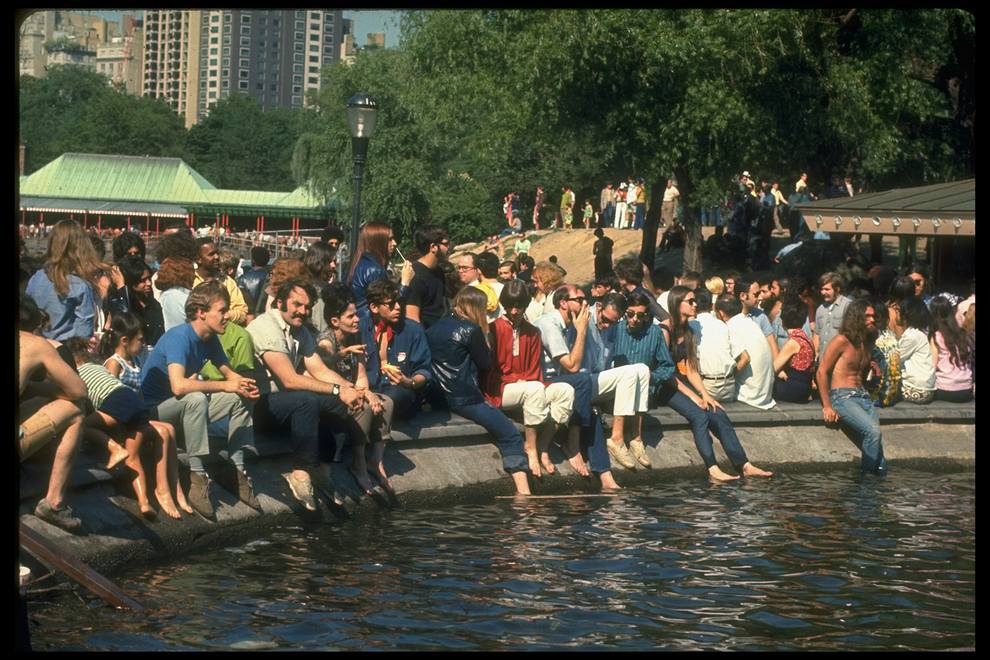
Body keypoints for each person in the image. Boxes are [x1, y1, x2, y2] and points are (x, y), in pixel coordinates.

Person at [140, 282, 261, 519]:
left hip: (181, 411)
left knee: (241, 396)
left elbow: (231, 376)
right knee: (195, 397)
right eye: (222, 310)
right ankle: (197, 476)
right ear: (201, 312)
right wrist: (227, 385)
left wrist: (246, 386)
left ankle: (236, 469)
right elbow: (179, 386)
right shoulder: (179, 338)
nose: (228, 316)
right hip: (155, 414)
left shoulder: (210, 338)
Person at [248, 279, 367, 508]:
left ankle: (323, 469)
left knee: (335, 401)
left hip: (285, 402)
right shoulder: (266, 327)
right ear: (280, 302)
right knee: (307, 399)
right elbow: (290, 380)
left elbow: (319, 370)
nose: (303, 311)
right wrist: (338, 388)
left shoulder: (299, 329)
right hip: (258, 405)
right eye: (297, 304)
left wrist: (351, 390)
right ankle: (300, 473)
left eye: (308, 306)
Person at [656, 286, 773, 481]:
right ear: (677, 304)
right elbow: (666, 372)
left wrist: (704, 393)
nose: (695, 305)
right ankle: (712, 468)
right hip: (663, 384)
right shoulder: (664, 330)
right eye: (690, 301)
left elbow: (691, 368)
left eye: (695, 301)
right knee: (699, 416)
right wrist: (694, 396)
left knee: (717, 411)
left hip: (679, 382)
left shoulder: (689, 331)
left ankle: (743, 464)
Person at [425, 286, 531, 495]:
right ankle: (524, 493)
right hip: (465, 399)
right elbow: (485, 363)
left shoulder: (434, 327)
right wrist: (487, 338)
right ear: (477, 307)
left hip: (436, 397)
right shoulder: (471, 329)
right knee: (511, 435)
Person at [98, 313, 192, 518]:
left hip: (136, 419)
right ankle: (162, 488)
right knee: (162, 432)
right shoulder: (114, 364)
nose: (144, 344)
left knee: (169, 428)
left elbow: (139, 395)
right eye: (140, 339)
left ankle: (175, 487)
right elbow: (109, 397)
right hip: (123, 422)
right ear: (125, 340)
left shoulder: (134, 362)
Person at [532, 285, 622, 489]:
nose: (584, 304)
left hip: (561, 384)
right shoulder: (549, 324)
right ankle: (572, 444)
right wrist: (582, 330)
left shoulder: (570, 324)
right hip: (540, 384)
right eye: (579, 300)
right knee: (582, 381)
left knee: (592, 411)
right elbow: (572, 365)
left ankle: (605, 474)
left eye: (585, 300)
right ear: (563, 303)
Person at [486, 281, 576, 477]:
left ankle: (543, 444)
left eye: (519, 306)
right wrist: (515, 381)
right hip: (500, 389)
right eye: (510, 306)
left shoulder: (532, 332)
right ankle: (531, 446)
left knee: (565, 391)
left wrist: (526, 382)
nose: (514, 311)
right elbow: (488, 371)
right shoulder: (493, 329)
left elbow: (535, 371)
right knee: (534, 389)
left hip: (528, 387)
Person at [316, 283, 396, 494]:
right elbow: (324, 372)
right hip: (335, 396)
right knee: (364, 406)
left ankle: (376, 462)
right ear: (335, 321)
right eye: (351, 316)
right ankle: (358, 463)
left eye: (356, 315)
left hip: (355, 391)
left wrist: (367, 391)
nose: (357, 319)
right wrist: (364, 394)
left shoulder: (356, 336)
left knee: (386, 402)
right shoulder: (326, 342)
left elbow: (361, 375)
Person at [19, 327, 88, 532]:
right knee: (75, 408)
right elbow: (78, 391)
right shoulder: (32, 343)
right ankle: (54, 502)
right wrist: (32, 387)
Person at [817, 298, 888, 475]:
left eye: (873, 316)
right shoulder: (841, 340)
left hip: (862, 396)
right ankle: (867, 482)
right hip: (842, 397)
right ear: (856, 318)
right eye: (868, 316)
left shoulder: (869, 342)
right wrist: (827, 406)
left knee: (878, 449)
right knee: (873, 433)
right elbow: (821, 372)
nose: (872, 320)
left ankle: (876, 488)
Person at [363, 278, 432, 423]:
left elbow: (423, 370)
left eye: (399, 302)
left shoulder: (413, 330)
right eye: (391, 304)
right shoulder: (361, 328)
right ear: (374, 307)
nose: (398, 307)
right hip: (367, 391)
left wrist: (409, 382)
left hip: (401, 393)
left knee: (394, 395)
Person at [26, 219, 102, 341]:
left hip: (36, 347)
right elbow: (84, 333)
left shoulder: (36, 277)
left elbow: (27, 313)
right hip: (64, 351)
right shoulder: (81, 285)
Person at [716, 295, 776, 410]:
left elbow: (745, 359)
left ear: (721, 313)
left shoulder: (730, 327)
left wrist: (728, 379)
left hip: (749, 396)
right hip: (765, 394)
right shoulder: (751, 323)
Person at [105, 255, 165, 350]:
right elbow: (125, 320)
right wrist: (121, 286)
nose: (149, 283)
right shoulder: (118, 301)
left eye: (149, 278)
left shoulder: (152, 304)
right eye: (142, 280)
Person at [688, 288, 738, 403]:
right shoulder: (723, 325)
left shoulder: (691, 326)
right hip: (729, 386)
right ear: (712, 305)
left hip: (708, 386)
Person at [771, 295, 817, 403]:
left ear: (782, 322)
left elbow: (773, 369)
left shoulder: (793, 342)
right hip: (804, 388)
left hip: (794, 388)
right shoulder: (805, 338)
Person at [193, 238, 249, 326]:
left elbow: (242, 312)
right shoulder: (190, 280)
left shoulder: (228, 281)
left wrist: (222, 315)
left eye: (217, 253)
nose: (217, 257)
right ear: (199, 259)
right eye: (211, 254)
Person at [928, 296, 974, 402]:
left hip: (944, 390)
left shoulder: (936, 336)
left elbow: (933, 366)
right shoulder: (963, 335)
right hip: (966, 390)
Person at [406, 225, 450, 330]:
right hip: (426, 339)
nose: (449, 247)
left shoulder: (438, 271)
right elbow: (412, 318)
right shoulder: (415, 276)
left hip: (440, 334)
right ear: (433, 247)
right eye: (446, 243)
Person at [896, 296, 936, 404]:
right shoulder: (918, 333)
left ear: (905, 316)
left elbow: (895, 359)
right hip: (925, 390)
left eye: (898, 311)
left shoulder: (912, 336)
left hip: (917, 391)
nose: (896, 314)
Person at [813, 272, 852, 358]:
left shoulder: (849, 306)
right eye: (822, 289)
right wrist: (815, 350)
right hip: (822, 361)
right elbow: (816, 333)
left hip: (840, 361)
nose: (823, 292)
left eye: (827, 289)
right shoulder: (821, 309)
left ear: (837, 289)